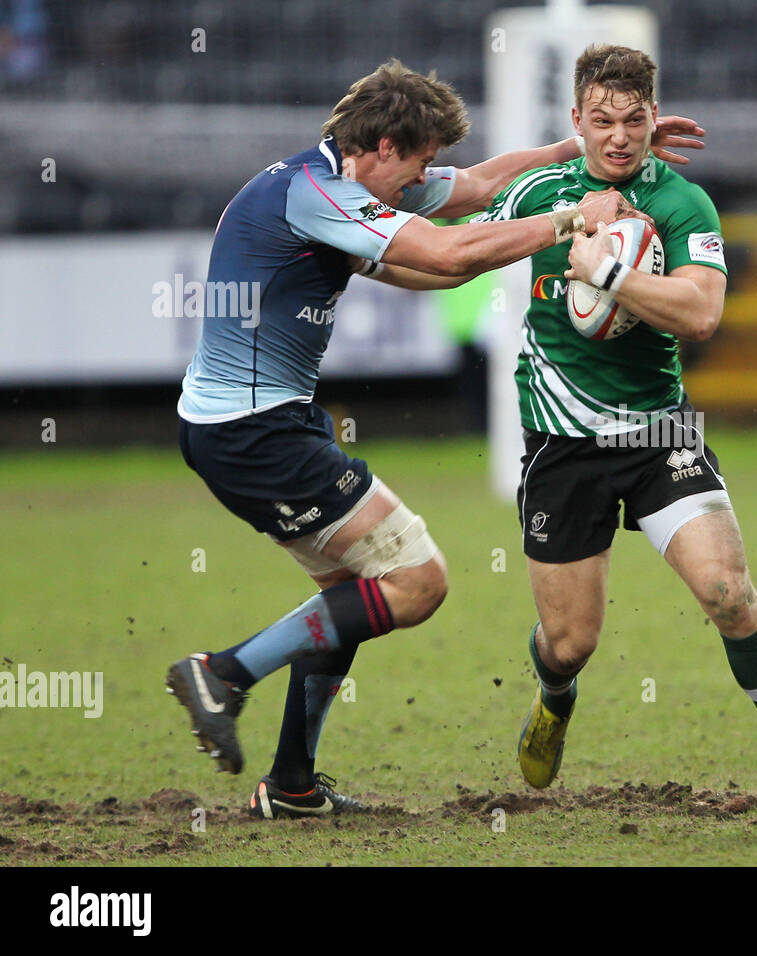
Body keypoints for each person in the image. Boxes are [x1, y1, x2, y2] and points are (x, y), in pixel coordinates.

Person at [166, 58, 705, 819]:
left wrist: (570, 154)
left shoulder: (340, 181)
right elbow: (449, 254)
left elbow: (479, 189)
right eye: (419, 163)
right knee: (417, 581)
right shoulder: (315, 194)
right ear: (384, 146)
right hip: (254, 433)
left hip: (255, 426)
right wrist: (570, 219)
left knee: (349, 592)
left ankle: (290, 786)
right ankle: (222, 673)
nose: (425, 179)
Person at [480, 44, 757, 807]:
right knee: (570, 643)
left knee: (728, 591)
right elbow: (455, 245)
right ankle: (555, 699)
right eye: (603, 120)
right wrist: (365, 254)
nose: (618, 136)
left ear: (654, 119)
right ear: (577, 119)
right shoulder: (542, 192)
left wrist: (607, 272)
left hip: (658, 434)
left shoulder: (683, 203)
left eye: (634, 120)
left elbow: (704, 312)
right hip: (562, 441)